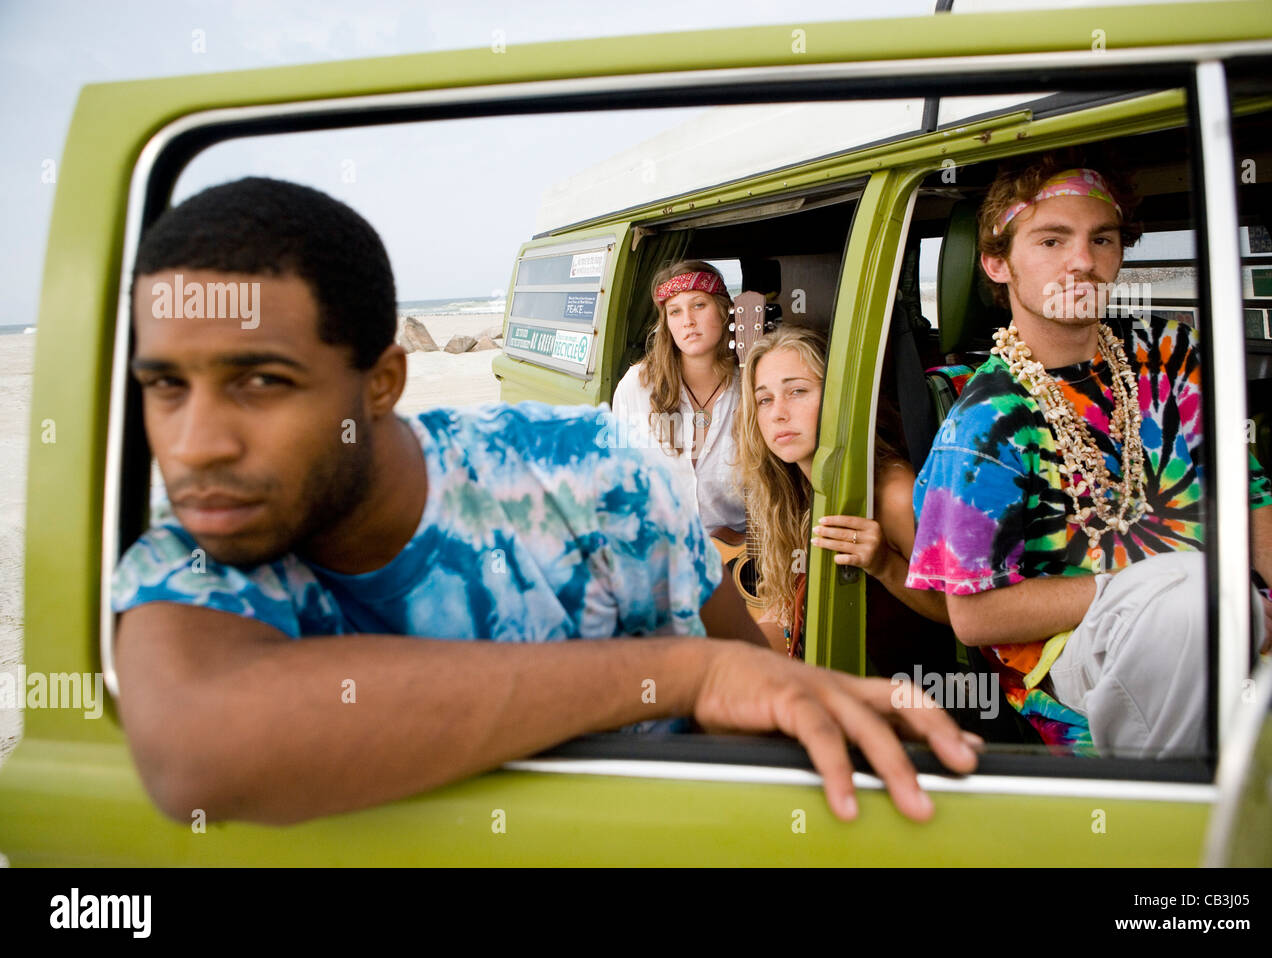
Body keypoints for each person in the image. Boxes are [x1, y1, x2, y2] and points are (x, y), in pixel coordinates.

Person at [111, 177, 981, 827]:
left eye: (261, 382)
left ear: (381, 383)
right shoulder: (180, 558)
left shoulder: (591, 482)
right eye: (163, 386)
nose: (193, 445)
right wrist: (685, 675)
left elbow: (764, 727)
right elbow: (202, 744)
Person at [905, 154, 1272, 757]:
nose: (1082, 262)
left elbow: (1245, 496)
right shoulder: (983, 422)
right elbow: (974, 619)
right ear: (997, 262)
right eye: (1051, 240)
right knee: (1192, 605)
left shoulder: (1172, 354)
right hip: (1076, 658)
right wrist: (1170, 588)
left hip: (1234, 622)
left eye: (1102, 239)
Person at [735, 326, 950, 662]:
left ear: (837, 399)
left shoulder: (894, 491)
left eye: (797, 391)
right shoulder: (785, 494)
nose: (778, 413)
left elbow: (958, 613)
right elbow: (786, 617)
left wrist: (885, 565)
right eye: (765, 399)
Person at [611, 260, 746, 542]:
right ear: (667, 323)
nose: (688, 321)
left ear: (723, 311)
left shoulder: (749, 388)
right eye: (675, 311)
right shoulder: (637, 387)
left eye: (699, 305)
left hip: (736, 564)